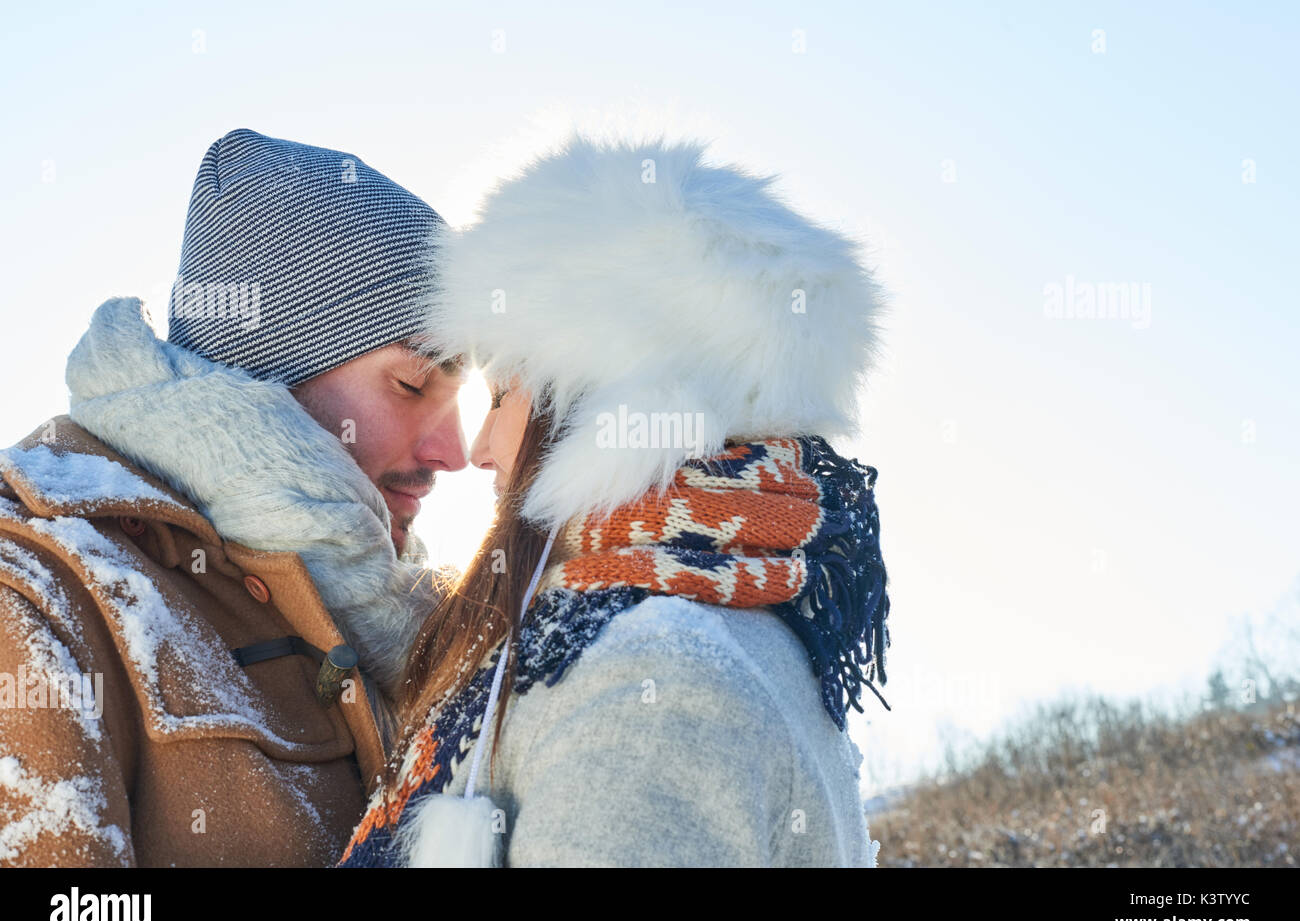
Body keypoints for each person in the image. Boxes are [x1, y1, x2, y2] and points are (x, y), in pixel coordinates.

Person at [339, 134, 891, 867]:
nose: (479, 449)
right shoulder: (714, 618)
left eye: (501, 394)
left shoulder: (651, 681)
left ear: (600, 401)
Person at [0, 129, 468, 866]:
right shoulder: (38, 594)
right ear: (265, 370)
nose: (455, 450)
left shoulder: (397, 619)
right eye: (414, 384)